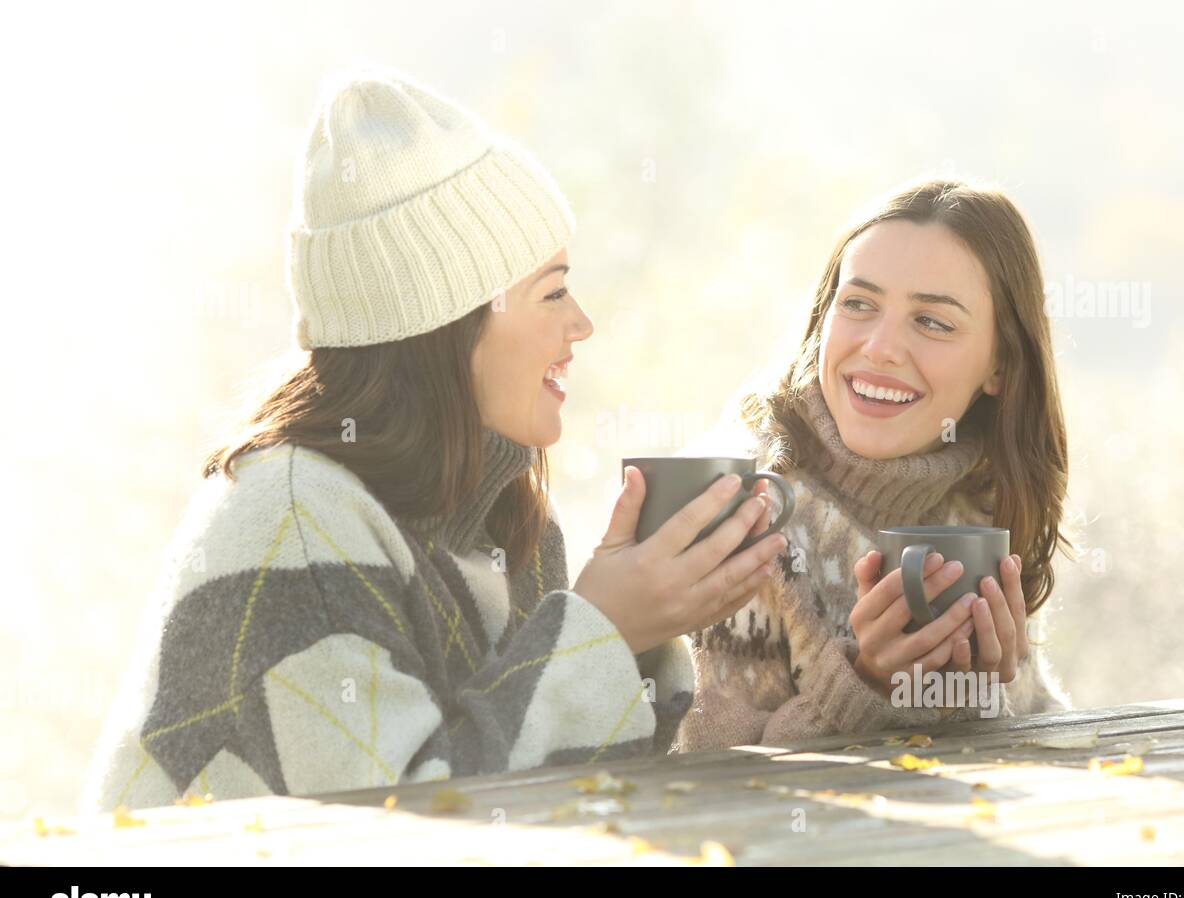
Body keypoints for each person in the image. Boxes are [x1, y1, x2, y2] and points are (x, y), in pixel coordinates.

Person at [81, 68, 786, 813]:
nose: (581, 324)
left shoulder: (508, 517)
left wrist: (645, 630)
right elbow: (403, 824)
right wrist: (603, 630)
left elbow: (564, 792)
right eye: (552, 293)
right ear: (446, 327)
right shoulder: (293, 521)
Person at [674, 179, 1074, 751]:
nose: (881, 347)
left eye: (933, 322)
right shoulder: (736, 505)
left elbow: (1036, 740)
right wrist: (868, 686)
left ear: (1001, 367)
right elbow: (704, 773)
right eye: (858, 305)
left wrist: (984, 697)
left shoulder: (979, 504)